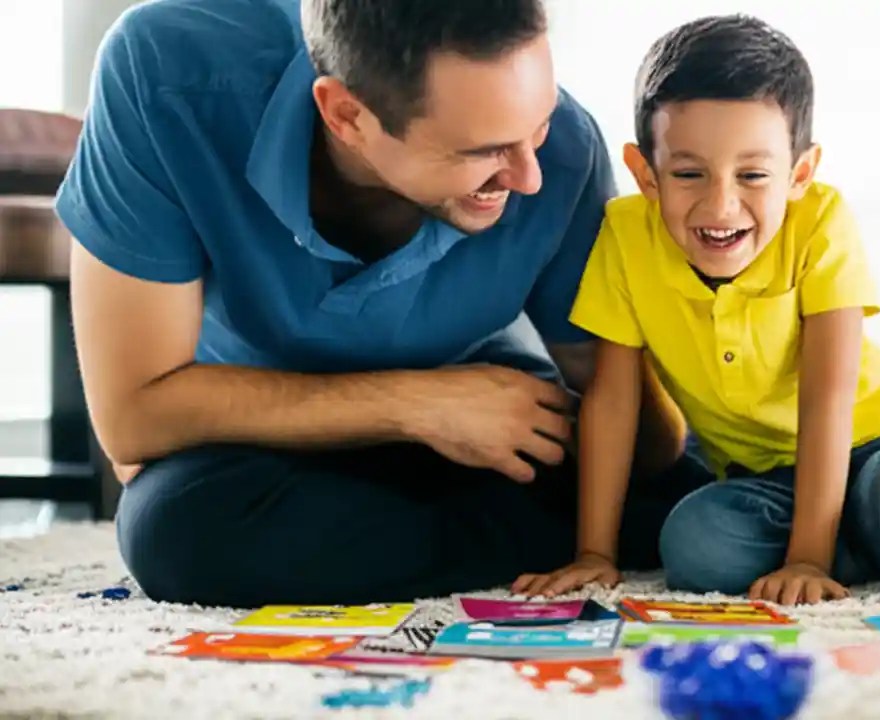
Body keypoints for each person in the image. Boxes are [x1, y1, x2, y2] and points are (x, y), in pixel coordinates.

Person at [54, 0, 706, 609]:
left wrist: (675, 294)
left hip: (480, 429)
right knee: (176, 534)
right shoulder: (165, 73)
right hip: (256, 434)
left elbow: (640, 436)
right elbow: (135, 418)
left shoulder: (562, 150)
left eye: (535, 127)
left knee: (686, 506)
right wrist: (417, 404)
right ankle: (504, 538)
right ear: (345, 115)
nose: (528, 177)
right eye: (481, 151)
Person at [512, 14, 880, 606]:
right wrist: (594, 553)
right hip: (764, 476)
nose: (721, 204)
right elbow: (613, 399)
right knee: (694, 547)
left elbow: (827, 398)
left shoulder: (822, 227)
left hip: (879, 446)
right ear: (645, 174)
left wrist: (808, 558)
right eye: (688, 174)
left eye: (753, 174)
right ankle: (874, 541)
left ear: (799, 173)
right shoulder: (626, 237)